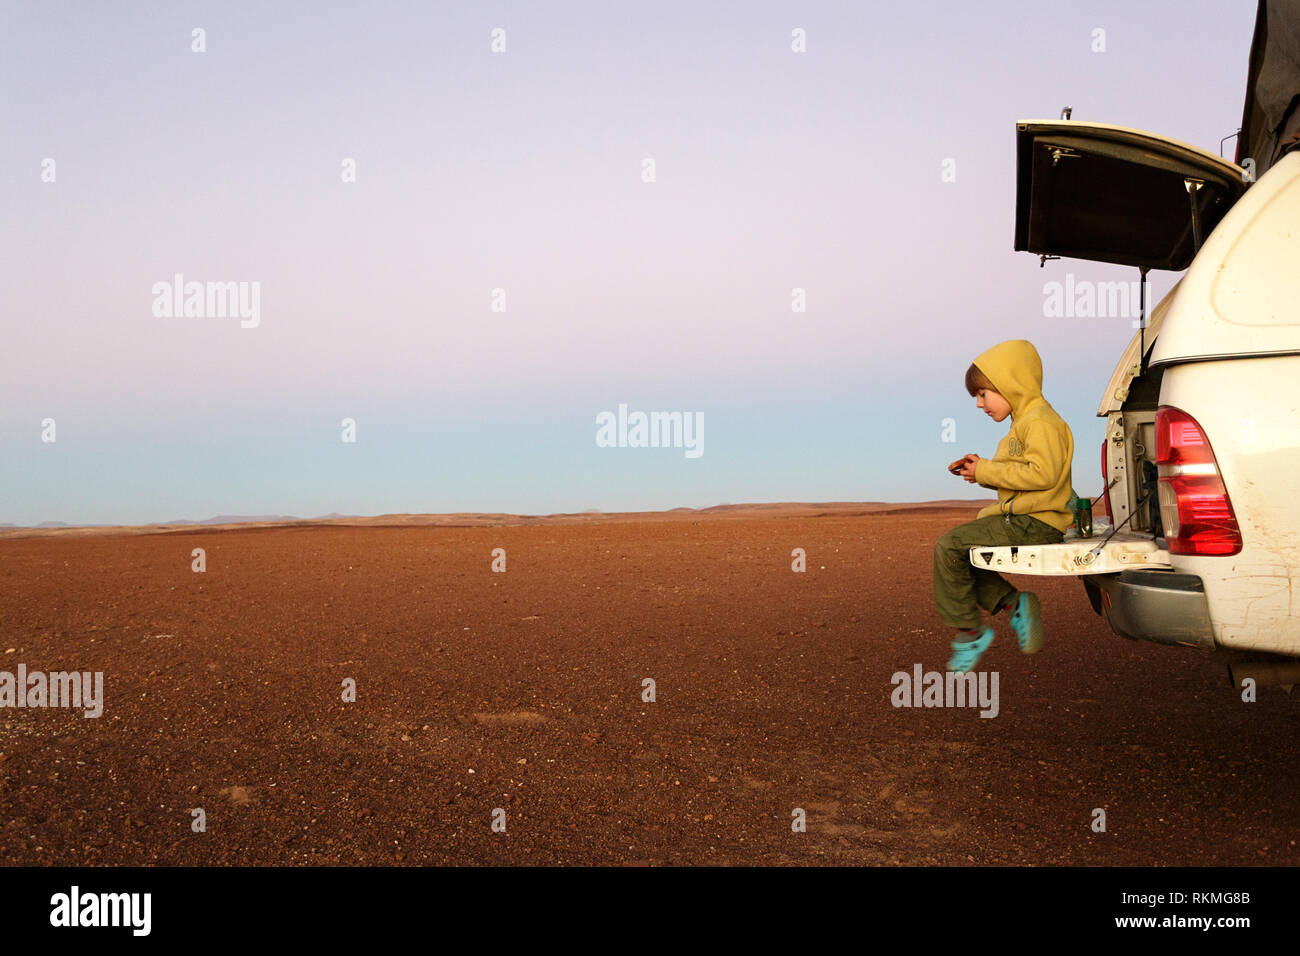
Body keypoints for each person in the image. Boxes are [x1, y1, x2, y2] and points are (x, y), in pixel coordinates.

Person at [936, 339, 1075, 673]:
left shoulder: (1040, 422)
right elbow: (1020, 474)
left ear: (1010, 383)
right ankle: (1015, 605)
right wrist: (979, 471)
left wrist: (986, 470)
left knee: (949, 547)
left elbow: (1043, 474)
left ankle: (971, 633)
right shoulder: (1022, 423)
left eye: (983, 394)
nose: (980, 404)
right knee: (963, 551)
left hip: (1036, 522)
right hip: (1025, 518)